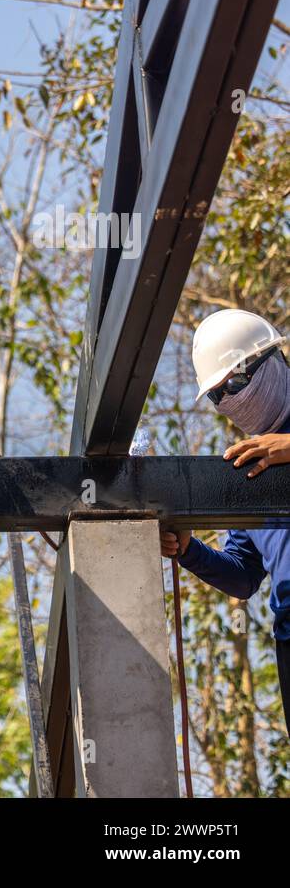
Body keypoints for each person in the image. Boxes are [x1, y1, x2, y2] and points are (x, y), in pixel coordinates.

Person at [159, 308, 290, 731]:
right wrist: (188, 550)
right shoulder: (248, 471)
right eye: (218, 395)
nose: (229, 400)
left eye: (234, 384)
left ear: (270, 362)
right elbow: (244, 577)